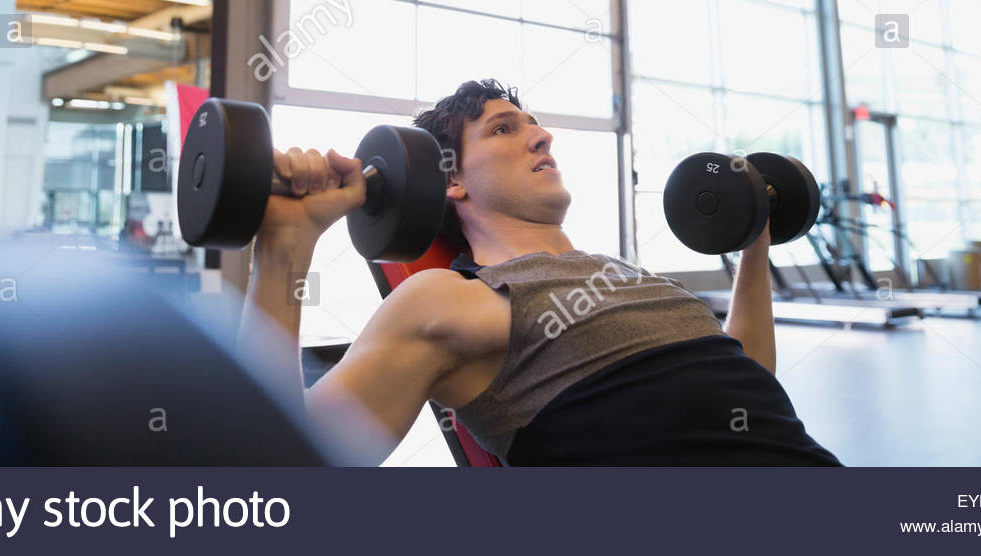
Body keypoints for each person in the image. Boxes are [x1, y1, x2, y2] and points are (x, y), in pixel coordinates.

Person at [238, 78, 841, 466]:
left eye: (534, 125)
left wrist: (755, 238)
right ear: (451, 179)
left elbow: (750, 373)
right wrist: (285, 249)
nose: (541, 135)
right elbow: (277, 473)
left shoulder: (631, 277)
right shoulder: (448, 299)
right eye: (505, 128)